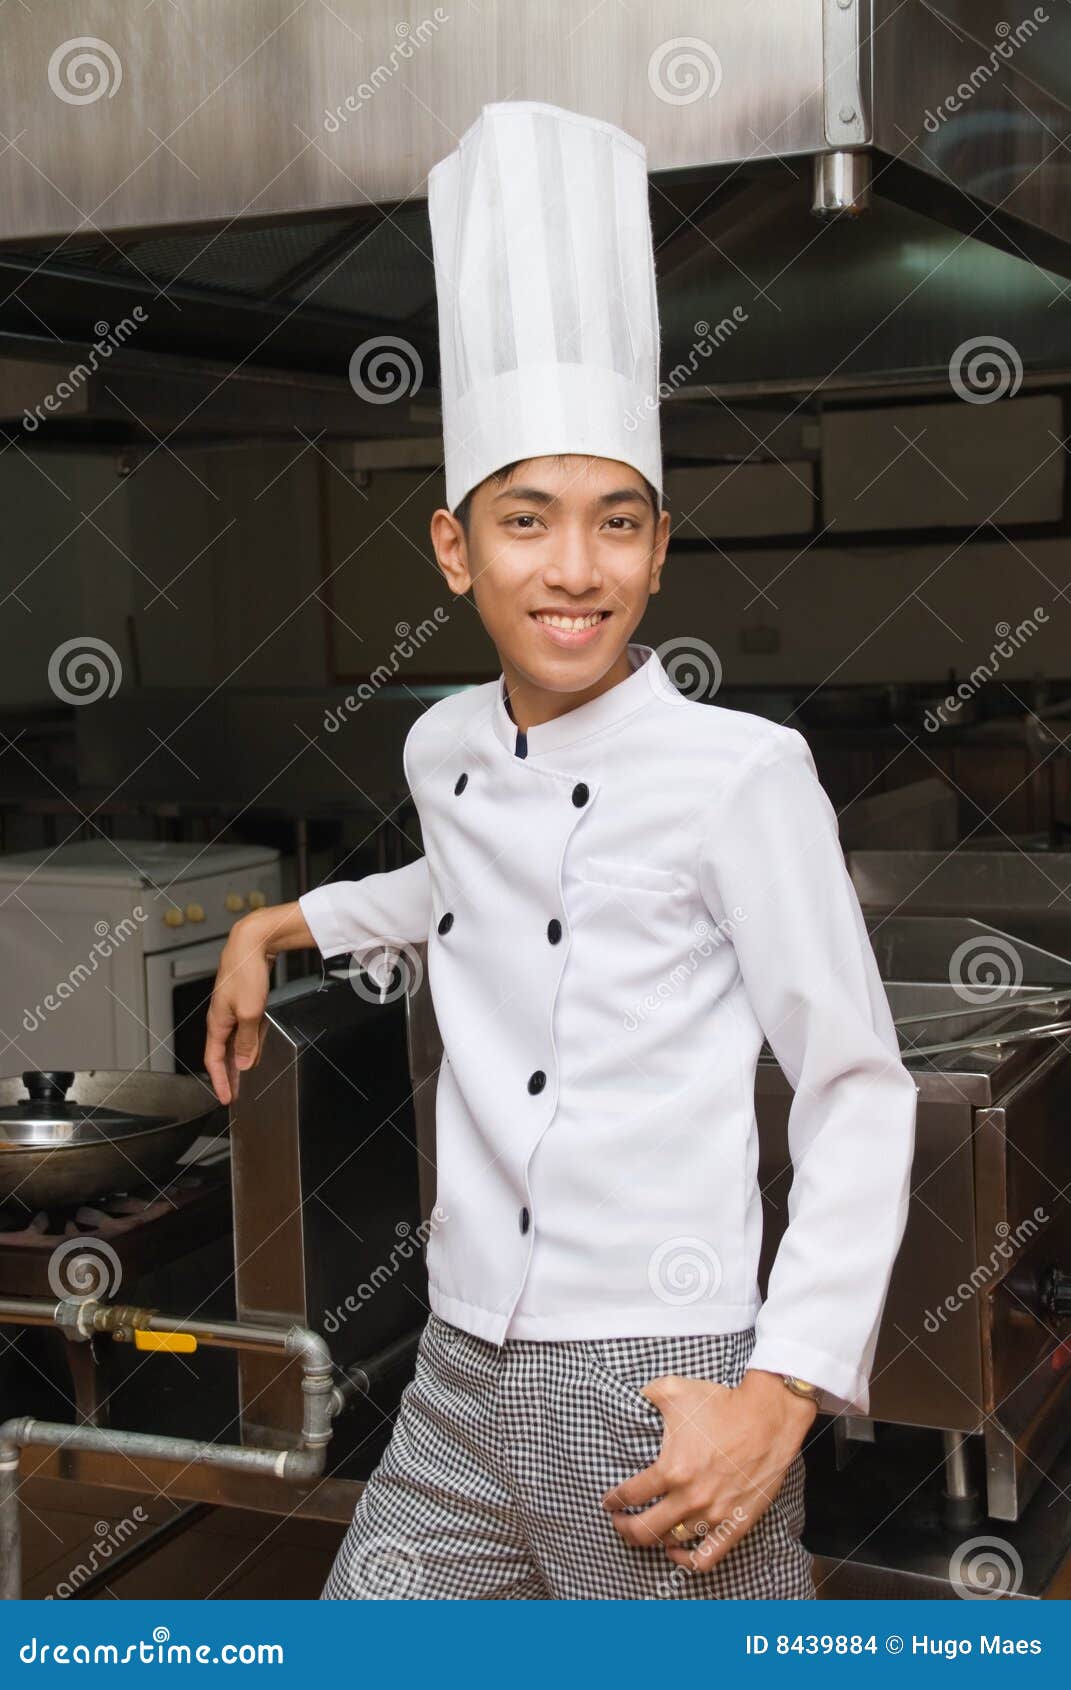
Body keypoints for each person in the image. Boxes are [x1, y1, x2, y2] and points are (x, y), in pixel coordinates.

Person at [204, 103, 917, 1601]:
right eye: (528, 521)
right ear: (457, 548)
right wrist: (289, 924)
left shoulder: (743, 775)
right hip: (457, 1367)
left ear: (661, 547)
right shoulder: (442, 744)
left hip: (659, 1379)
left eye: (616, 523)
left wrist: (778, 1390)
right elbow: (466, 890)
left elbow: (857, 1087)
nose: (575, 569)